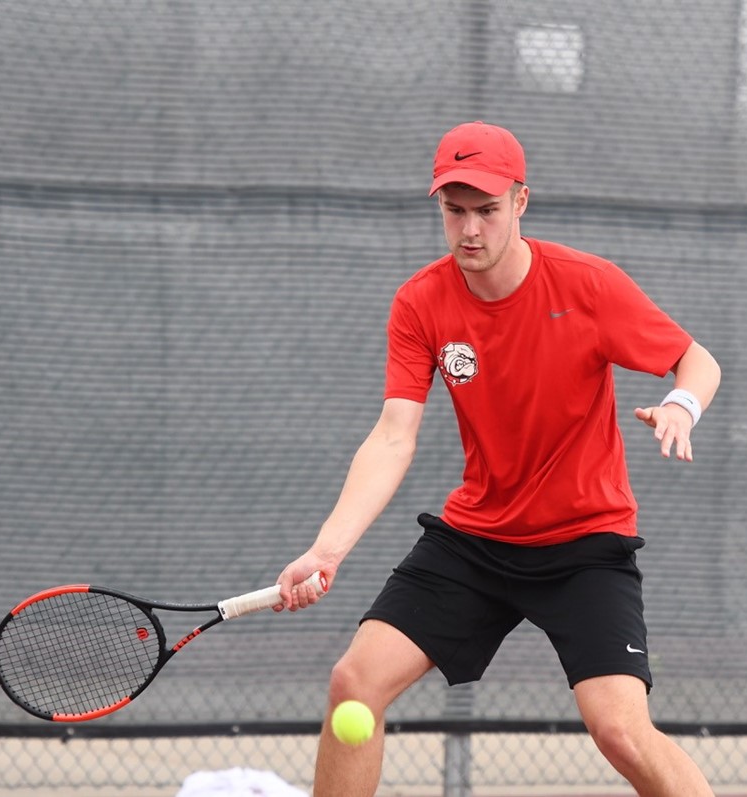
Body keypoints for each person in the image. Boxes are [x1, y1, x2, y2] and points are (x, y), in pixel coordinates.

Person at [274, 121, 721, 797]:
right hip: (476, 541)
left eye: (486, 209)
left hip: (584, 542)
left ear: (520, 201)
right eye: (454, 211)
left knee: (622, 732)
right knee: (353, 684)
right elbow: (393, 435)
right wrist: (326, 549)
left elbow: (697, 359)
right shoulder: (421, 302)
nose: (470, 229)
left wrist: (681, 405)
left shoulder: (587, 286)